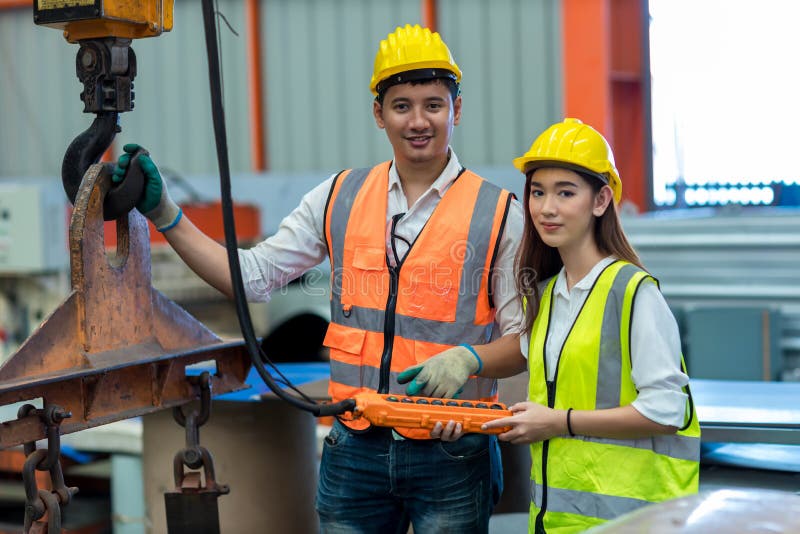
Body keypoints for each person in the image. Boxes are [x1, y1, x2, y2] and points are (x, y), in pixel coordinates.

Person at [113, 24, 523, 534]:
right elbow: (254, 278)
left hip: (453, 452)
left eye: (433, 105)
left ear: (456, 110)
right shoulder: (340, 197)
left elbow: (524, 341)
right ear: (379, 114)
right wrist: (166, 213)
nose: (418, 121)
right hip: (355, 451)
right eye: (402, 106)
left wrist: (471, 358)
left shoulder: (500, 214)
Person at [409, 118, 701, 533]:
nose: (547, 208)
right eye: (538, 192)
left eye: (566, 193)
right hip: (555, 520)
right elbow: (534, 382)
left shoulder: (634, 293)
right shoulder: (546, 296)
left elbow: (666, 411)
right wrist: (469, 405)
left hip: (631, 522)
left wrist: (558, 422)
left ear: (601, 200)